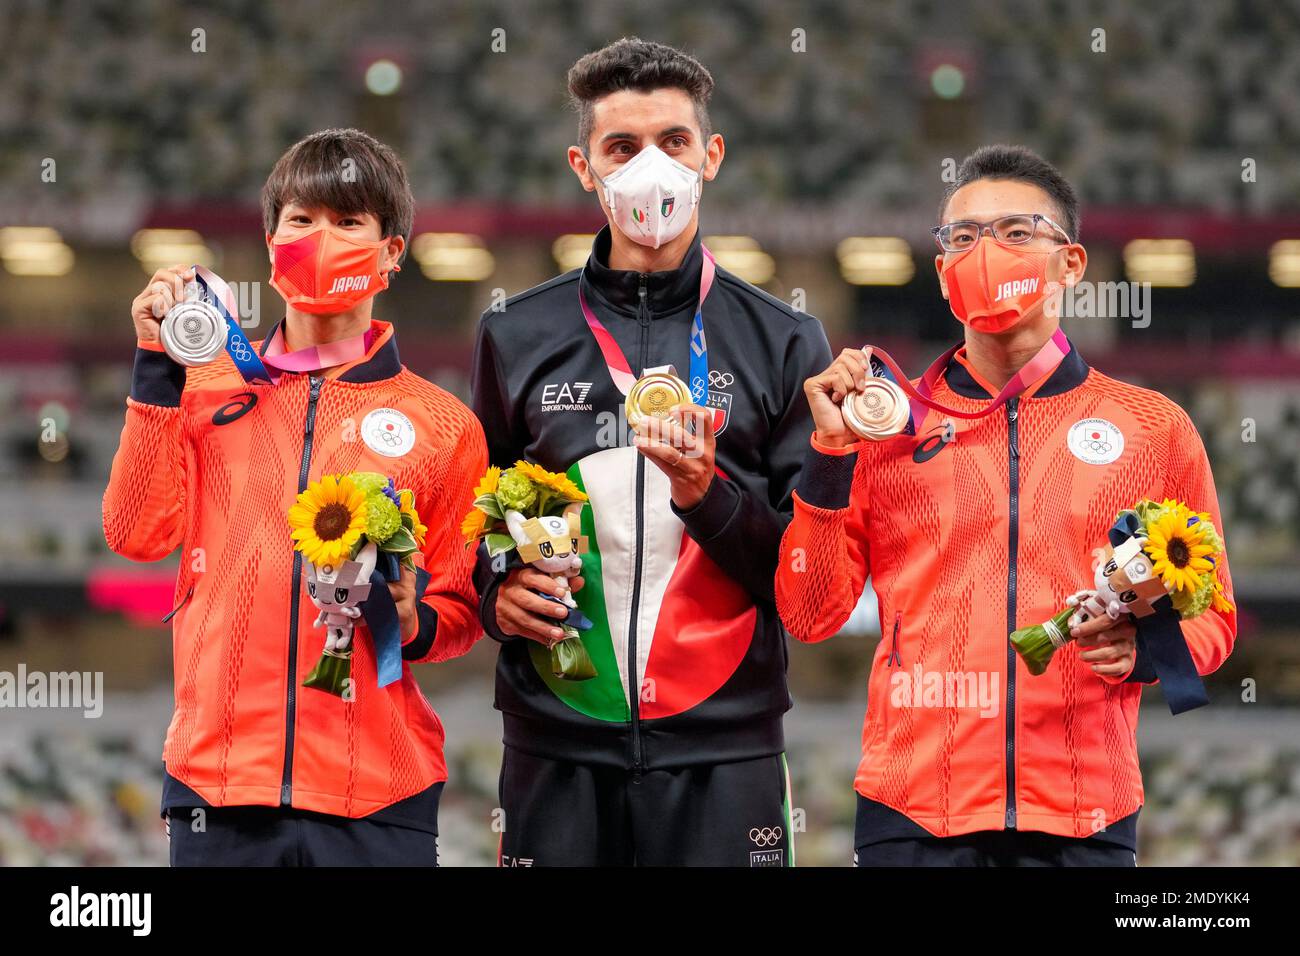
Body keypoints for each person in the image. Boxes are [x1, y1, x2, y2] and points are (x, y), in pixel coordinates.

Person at [775, 144, 1237, 866]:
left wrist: (1145, 651)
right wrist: (830, 457)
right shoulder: (886, 426)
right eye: (963, 238)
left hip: (1086, 814)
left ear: (1072, 264)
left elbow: (1214, 616)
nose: (985, 251)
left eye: (1015, 232)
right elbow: (808, 613)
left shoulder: (1152, 428)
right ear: (942, 273)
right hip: (911, 814)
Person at [471, 38, 832, 866]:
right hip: (555, 740)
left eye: (672, 142)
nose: (651, 169)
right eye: (621, 148)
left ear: (711, 155)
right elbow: (475, 520)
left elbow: (804, 580)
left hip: (724, 750)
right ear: (583, 166)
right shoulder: (514, 333)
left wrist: (706, 493)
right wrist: (498, 594)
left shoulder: (783, 339)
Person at [103, 128, 487, 866]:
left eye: (349, 222)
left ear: (391, 253)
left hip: (380, 793)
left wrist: (410, 621)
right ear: (271, 242)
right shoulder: (206, 390)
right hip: (218, 788)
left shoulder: (444, 425)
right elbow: (134, 534)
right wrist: (156, 368)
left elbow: (464, 608)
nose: (321, 238)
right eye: (302, 219)